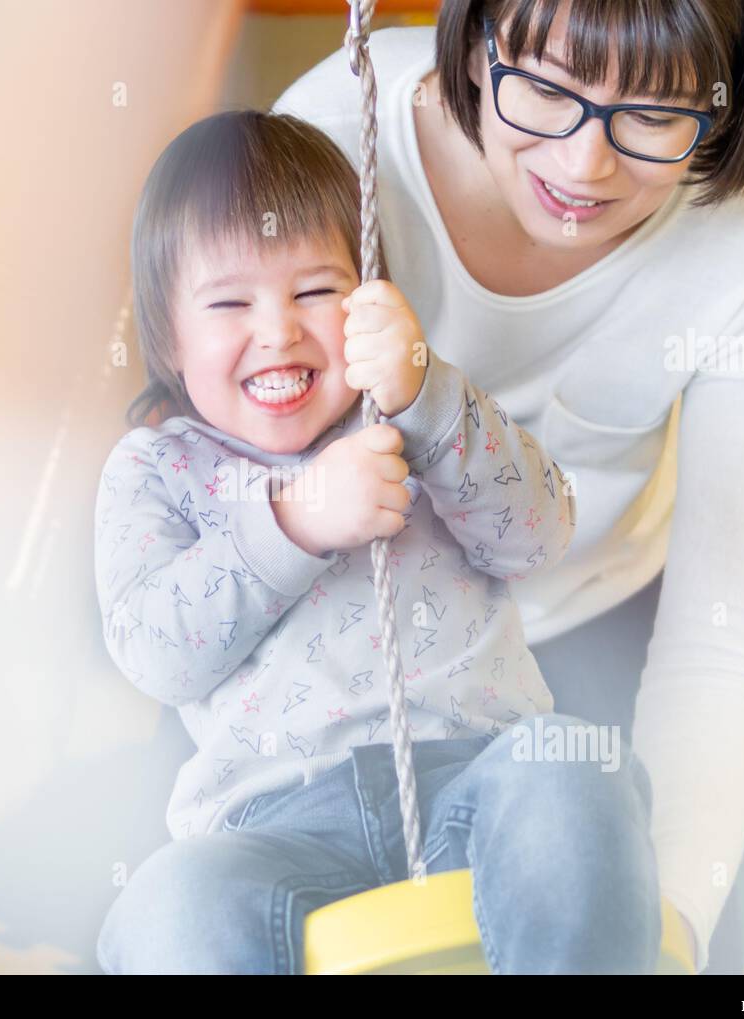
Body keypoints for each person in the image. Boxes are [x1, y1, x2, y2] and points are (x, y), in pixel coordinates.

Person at [272, 0, 744, 973]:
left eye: (653, 114)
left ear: (725, 102)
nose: (582, 166)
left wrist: (677, 925)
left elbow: (719, 633)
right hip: (345, 646)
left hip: (586, 625)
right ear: (480, 46)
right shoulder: (333, 133)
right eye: (545, 88)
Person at [94, 110, 664, 974]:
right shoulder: (159, 470)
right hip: (273, 822)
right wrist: (294, 523)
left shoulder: (421, 416)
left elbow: (540, 533)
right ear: (169, 336)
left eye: (316, 291)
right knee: (166, 905)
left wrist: (427, 396)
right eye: (229, 302)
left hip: (479, 775)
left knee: (574, 765)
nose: (279, 329)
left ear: (372, 298)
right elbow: (156, 653)